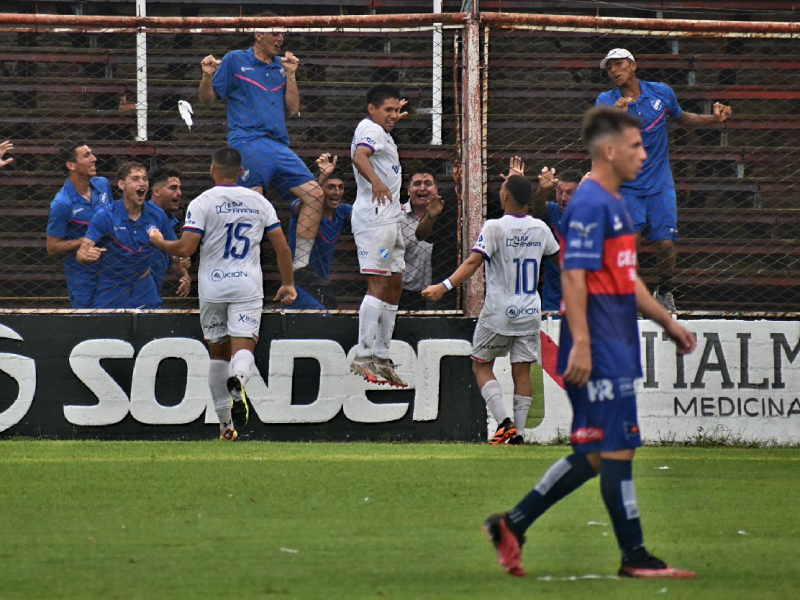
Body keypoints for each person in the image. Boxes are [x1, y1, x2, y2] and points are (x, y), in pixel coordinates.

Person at [483, 106, 698, 579]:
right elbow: (575, 277)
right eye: (636, 145)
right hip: (599, 345)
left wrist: (669, 323)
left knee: (596, 454)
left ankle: (512, 524)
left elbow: (627, 279)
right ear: (609, 149)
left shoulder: (616, 204)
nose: (645, 153)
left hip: (614, 342)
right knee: (616, 449)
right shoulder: (589, 205)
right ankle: (635, 556)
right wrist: (580, 343)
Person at [149, 147, 297, 441]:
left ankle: (225, 427)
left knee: (218, 355)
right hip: (247, 285)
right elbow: (281, 247)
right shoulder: (260, 202)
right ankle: (239, 380)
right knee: (244, 349)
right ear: (242, 172)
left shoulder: (202, 202)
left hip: (213, 287)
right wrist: (288, 283)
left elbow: (186, 248)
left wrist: (159, 241)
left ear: (212, 169)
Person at [422, 174, 559, 445]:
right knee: (522, 370)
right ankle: (518, 434)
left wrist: (444, 286)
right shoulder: (541, 229)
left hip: (499, 311)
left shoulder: (494, 227)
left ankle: (504, 423)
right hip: (530, 311)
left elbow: (473, 262)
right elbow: (557, 258)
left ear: (505, 196)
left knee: (481, 365)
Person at [596, 48, 733, 312]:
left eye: (619, 64)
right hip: (627, 186)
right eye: (610, 67)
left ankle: (665, 289)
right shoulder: (606, 100)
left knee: (666, 243)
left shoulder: (661, 92)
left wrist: (713, 119)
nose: (614, 71)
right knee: (630, 241)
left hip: (660, 183)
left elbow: (682, 118)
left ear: (633, 65)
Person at [198, 22, 325, 277]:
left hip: (278, 144)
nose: (280, 38)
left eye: (282, 33)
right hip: (247, 140)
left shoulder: (282, 66)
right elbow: (208, 100)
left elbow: (292, 108)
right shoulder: (236, 60)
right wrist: (207, 75)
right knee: (253, 202)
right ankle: (242, 266)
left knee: (315, 194)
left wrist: (291, 74)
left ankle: (300, 267)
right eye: (275, 33)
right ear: (258, 34)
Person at [348, 84, 409, 388]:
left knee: (394, 282)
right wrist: (377, 184)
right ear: (372, 109)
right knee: (379, 283)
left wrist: (394, 114)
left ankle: (382, 356)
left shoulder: (381, 131)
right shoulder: (369, 128)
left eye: (397, 110)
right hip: (375, 218)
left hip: (390, 219)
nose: (394, 115)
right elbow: (360, 156)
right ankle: (363, 355)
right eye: (388, 110)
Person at [77, 161, 187, 309]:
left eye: (145, 179)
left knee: (152, 330)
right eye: (135, 179)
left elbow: (174, 253)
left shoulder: (157, 215)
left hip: (145, 288)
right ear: (122, 185)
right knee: (106, 330)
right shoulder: (105, 215)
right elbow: (81, 253)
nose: (142, 183)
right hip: (112, 288)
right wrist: (87, 254)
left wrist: (183, 274)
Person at [46, 142, 114, 308]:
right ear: (71, 165)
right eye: (86, 155)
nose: (94, 159)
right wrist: (85, 241)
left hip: (113, 269)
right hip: (84, 277)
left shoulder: (103, 184)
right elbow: (53, 247)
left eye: (92, 153)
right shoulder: (62, 204)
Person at [287, 153, 353, 310]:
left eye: (341, 187)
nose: (337, 192)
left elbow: (365, 214)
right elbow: (305, 201)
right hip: (298, 281)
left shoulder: (342, 211)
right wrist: (323, 175)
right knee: (322, 318)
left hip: (322, 281)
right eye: (331, 187)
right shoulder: (300, 208)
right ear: (320, 190)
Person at [529, 162, 583, 314]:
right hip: (554, 299)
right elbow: (538, 206)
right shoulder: (553, 211)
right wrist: (543, 190)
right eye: (560, 191)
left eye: (570, 192)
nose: (563, 198)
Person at [399, 171, 445, 311]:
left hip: (439, 291)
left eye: (428, 184)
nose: (423, 188)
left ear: (436, 190)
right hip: (404, 293)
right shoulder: (397, 217)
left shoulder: (446, 215)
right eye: (417, 184)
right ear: (408, 191)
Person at [149, 167, 191, 297]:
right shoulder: (145, 214)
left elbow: (173, 258)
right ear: (157, 191)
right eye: (173, 188)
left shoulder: (168, 219)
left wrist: (183, 270)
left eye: (179, 188)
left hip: (154, 289)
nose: (179, 193)